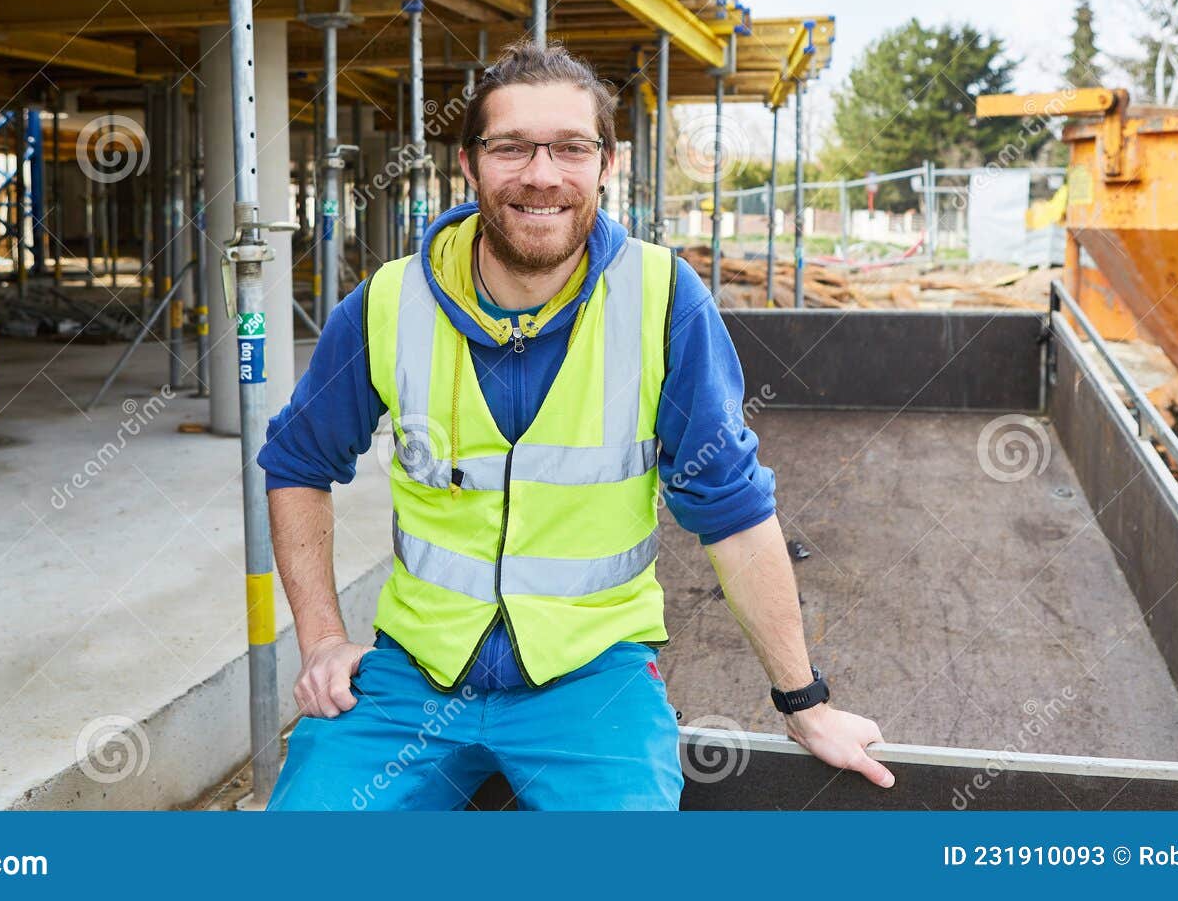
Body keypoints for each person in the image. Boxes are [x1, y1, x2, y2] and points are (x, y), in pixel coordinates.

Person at [257, 40, 892, 810]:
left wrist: (804, 701)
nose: (542, 173)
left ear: (607, 164)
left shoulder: (662, 299)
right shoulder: (389, 303)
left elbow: (732, 510)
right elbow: (297, 461)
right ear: (468, 164)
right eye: (511, 147)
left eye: (570, 147)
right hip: (410, 677)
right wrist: (323, 638)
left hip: (592, 682)